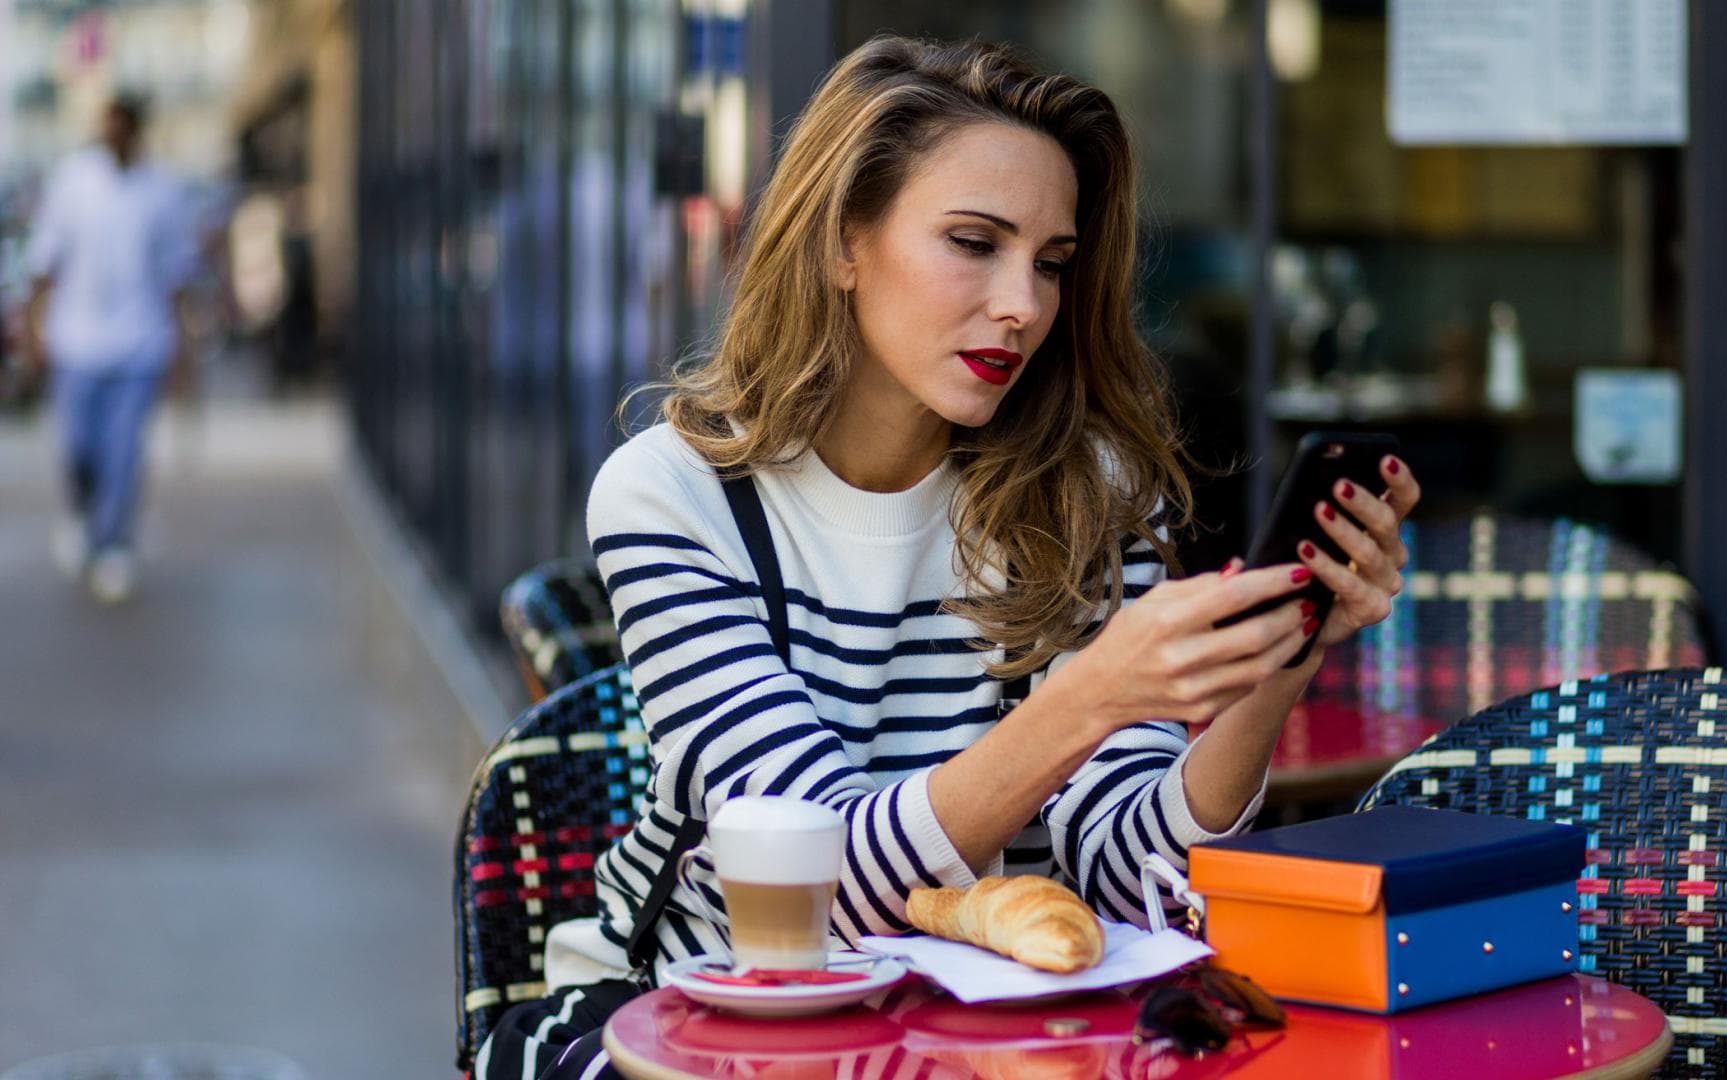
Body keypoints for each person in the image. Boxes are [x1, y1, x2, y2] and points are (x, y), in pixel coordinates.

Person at [476, 36, 1420, 1080]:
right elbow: (824, 887)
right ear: (844, 242)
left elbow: (1137, 880)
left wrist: (1283, 653)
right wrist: (1089, 699)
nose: (1023, 304)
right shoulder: (678, 496)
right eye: (975, 242)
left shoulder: (1093, 490)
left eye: (1052, 263)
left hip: (998, 1040)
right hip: (712, 1028)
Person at [21, 94, 196, 604]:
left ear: (137, 131)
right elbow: (44, 263)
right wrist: (34, 335)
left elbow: (177, 274)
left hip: (139, 344)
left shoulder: (161, 190)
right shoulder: (73, 182)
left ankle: (112, 543)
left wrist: (184, 350)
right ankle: (84, 514)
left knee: (123, 451)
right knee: (79, 448)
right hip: (77, 343)